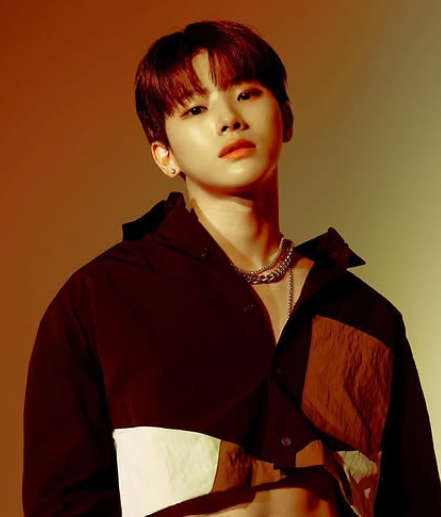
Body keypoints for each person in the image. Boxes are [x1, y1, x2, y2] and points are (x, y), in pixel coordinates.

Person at [22, 19, 441, 517]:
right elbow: (61, 502)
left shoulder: (367, 317)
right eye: (195, 109)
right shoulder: (102, 299)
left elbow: (414, 501)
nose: (228, 119)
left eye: (246, 94)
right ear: (164, 155)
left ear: (286, 118)